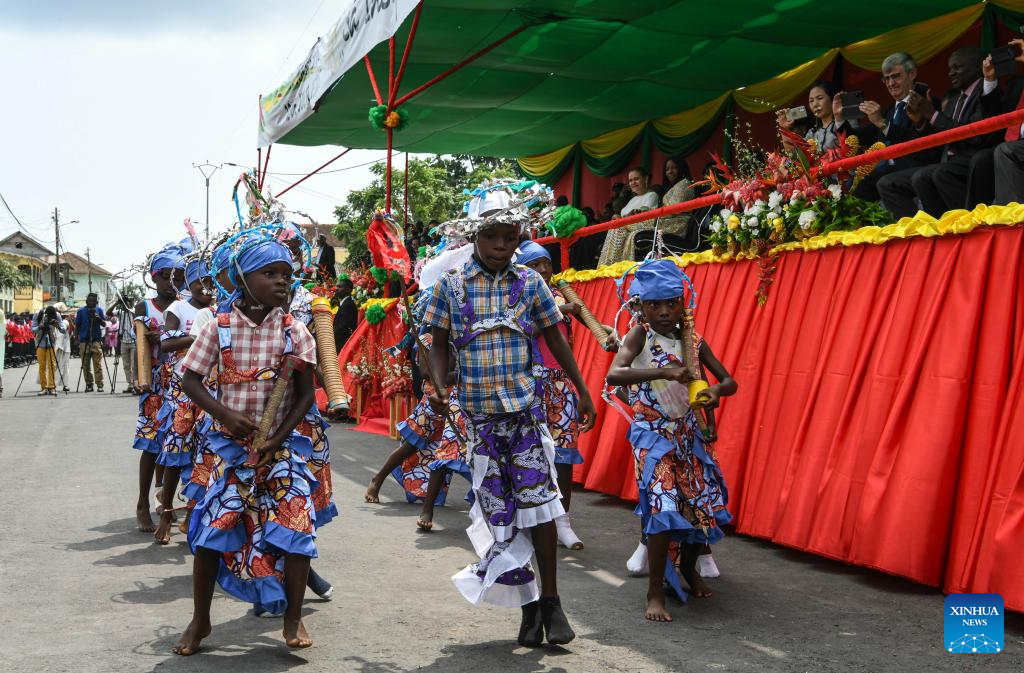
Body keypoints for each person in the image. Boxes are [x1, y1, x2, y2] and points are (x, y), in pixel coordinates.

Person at [422, 181, 596, 647]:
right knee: (502, 518)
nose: (501, 246)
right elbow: (437, 344)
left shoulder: (531, 283)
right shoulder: (451, 286)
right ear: (474, 237)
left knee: (540, 508)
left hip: (524, 416)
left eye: (510, 237)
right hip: (479, 424)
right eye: (492, 237)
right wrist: (438, 383)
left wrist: (581, 388)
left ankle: (553, 601)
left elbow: (555, 334)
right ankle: (528, 605)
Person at [174, 231, 320, 655]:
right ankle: (200, 619)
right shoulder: (217, 329)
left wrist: (277, 438)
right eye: (269, 273)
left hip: (282, 447)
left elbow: (306, 395)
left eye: (286, 274)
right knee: (211, 534)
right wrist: (224, 415)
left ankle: (293, 617)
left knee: (297, 527)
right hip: (228, 448)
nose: (281, 281)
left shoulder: (295, 332)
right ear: (241, 279)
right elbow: (190, 380)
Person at [606, 260, 737, 622]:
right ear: (641, 307)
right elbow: (615, 374)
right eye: (654, 305)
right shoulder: (639, 336)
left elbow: (729, 381)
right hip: (653, 438)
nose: (664, 311)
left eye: (671, 303)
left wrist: (714, 392)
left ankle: (689, 569)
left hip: (689, 437)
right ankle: (655, 592)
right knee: (663, 508)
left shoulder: (693, 340)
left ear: (683, 303)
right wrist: (665, 371)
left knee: (701, 506)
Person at [515, 241, 613, 550]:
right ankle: (526, 521)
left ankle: (563, 523)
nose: (544, 269)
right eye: (535, 265)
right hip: (529, 385)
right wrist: (558, 310)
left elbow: (589, 321)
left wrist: (609, 334)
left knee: (564, 456)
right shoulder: (518, 297)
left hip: (560, 384)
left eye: (546, 263)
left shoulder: (561, 293)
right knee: (529, 455)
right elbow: (525, 330)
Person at [876, 47, 1001, 218]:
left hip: (970, 159)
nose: (951, 73)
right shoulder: (954, 101)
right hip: (945, 162)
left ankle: (968, 223)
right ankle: (932, 228)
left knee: (933, 174)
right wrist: (920, 122)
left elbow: (975, 135)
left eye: (957, 67)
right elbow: (936, 141)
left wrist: (932, 114)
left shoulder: (985, 94)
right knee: (890, 182)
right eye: (950, 68)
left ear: (977, 67)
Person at [153, 259, 215, 545]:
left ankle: (193, 513)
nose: (206, 287)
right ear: (188, 283)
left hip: (211, 389)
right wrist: (196, 337)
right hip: (182, 388)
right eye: (199, 281)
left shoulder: (221, 310)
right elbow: (166, 344)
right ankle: (166, 513)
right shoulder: (180, 309)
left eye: (210, 281)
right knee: (176, 450)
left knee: (206, 455)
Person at [834, 52, 941, 203]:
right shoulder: (888, 111)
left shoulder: (926, 104)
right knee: (847, 186)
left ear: (912, 74)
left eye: (896, 76)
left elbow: (918, 142)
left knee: (859, 185)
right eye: (886, 78)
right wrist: (839, 118)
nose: (891, 83)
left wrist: (883, 123)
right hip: (884, 172)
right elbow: (856, 139)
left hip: (914, 170)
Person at [133, 244, 185, 532]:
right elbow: (140, 346)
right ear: (154, 277)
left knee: (175, 445)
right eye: (165, 277)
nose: (171, 283)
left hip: (182, 383)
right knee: (152, 445)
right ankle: (142, 503)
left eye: (177, 277)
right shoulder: (145, 307)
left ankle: (165, 500)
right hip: (154, 384)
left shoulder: (186, 304)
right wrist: (139, 378)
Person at [598, 167, 660, 266]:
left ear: (646, 179)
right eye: (630, 180)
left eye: (636, 179)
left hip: (638, 227)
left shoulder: (651, 195)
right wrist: (618, 217)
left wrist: (622, 219)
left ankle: (614, 265)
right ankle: (606, 266)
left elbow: (642, 215)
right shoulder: (633, 199)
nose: (633, 183)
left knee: (618, 228)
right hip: (623, 227)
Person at [777, 81, 840, 152]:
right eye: (811, 101)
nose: (815, 104)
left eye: (820, 98)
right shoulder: (812, 132)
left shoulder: (842, 124)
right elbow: (795, 153)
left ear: (832, 99)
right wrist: (784, 128)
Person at [75, 293, 107, 392]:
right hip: (84, 341)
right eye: (90, 300)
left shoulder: (99, 310)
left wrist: (98, 318)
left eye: (94, 301)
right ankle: (89, 384)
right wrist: (76, 339)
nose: (91, 302)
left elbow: (104, 324)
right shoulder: (81, 311)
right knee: (85, 364)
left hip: (96, 341)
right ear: (86, 301)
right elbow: (77, 326)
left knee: (98, 364)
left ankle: (100, 384)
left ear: (96, 302)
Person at [33, 305, 65, 395]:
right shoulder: (38, 314)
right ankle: (44, 388)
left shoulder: (57, 315)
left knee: (52, 365)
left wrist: (58, 326)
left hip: (52, 341)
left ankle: (51, 387)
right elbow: (32, 329)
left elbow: (63, 330)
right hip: (40, 341)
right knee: (42, 365)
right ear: (46, 314)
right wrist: (40, 327)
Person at [331, 278, 358, 353]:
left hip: (343, 345)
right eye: (337, 286)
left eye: (340, 287)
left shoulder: (348, 305)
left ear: (348, 290)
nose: (336, 289)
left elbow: (341, 328)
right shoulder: (345, 303)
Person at [117, 302, 138, 393]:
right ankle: (130, 384)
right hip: (123, 341)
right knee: (126, 365)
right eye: (125, 302)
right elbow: (109, 313)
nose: (126, 304)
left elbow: (136, 317)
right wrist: (117, 303)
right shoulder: (121, 312)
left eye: (129, 302)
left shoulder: (134, 312)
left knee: (133, 365)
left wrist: (130, 308)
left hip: (133, 341)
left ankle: (135, 385)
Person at [53, 302, 71, 393]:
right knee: (58, 366)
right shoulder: (55, 322)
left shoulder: (64, 321)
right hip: (58, 346)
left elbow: (64, 328)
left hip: (63, 346)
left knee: (64, 366)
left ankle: (64, 384)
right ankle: (54, 384)